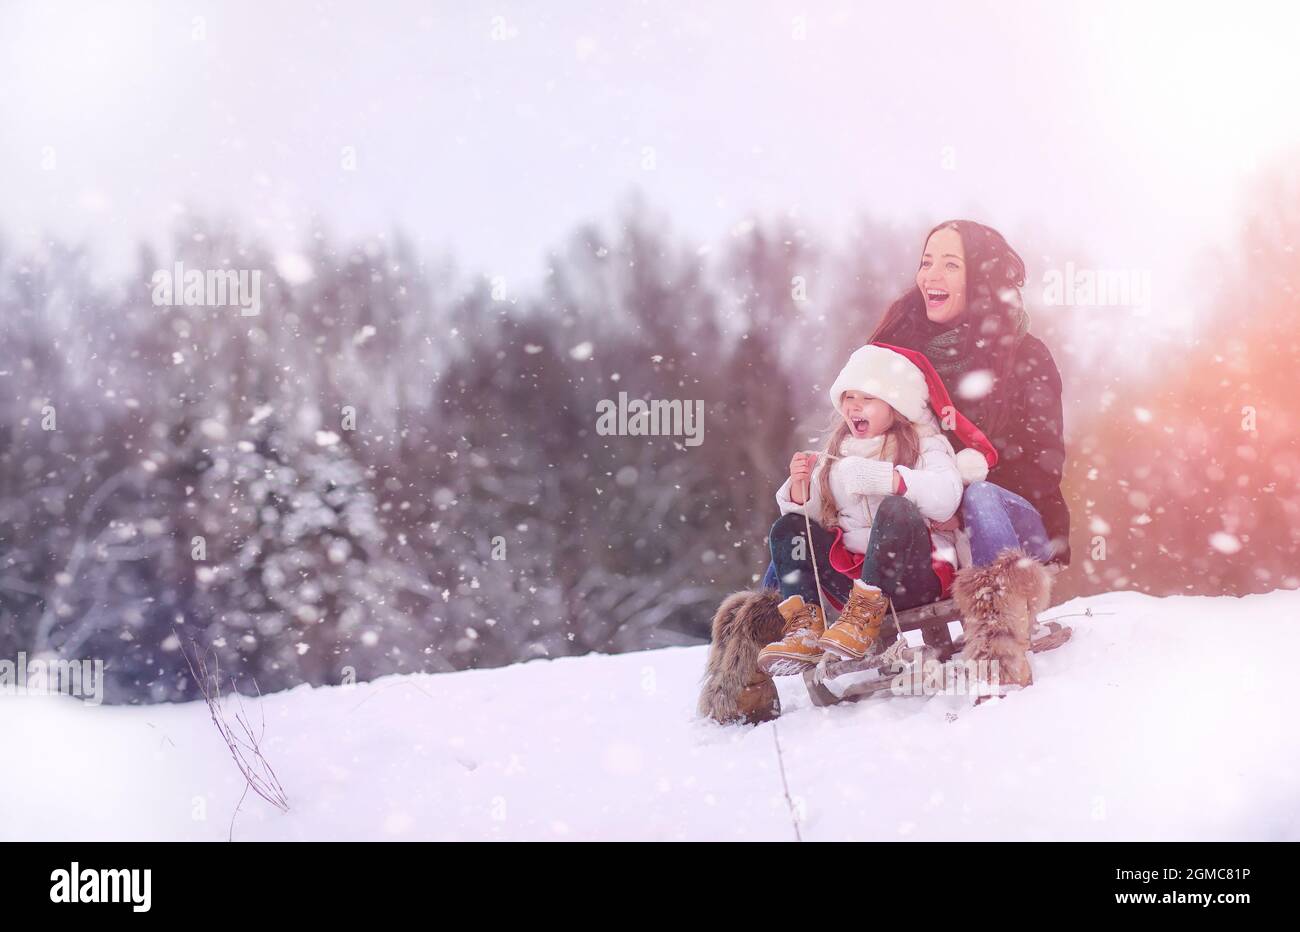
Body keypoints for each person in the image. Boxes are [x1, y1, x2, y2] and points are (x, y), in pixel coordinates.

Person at [756, 342, 997, 676]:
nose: (855, 407)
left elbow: (946, 499)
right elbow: (814, 526)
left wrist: (890, 479)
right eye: (849, 398)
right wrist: (800, 489)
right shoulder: (835, 453)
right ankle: (805, 629)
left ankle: (865, 612)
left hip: (914, 578)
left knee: (896, 510)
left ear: (894, 405)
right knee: (789, 529)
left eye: (867, 398)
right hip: (852, 585)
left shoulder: (926, 443)